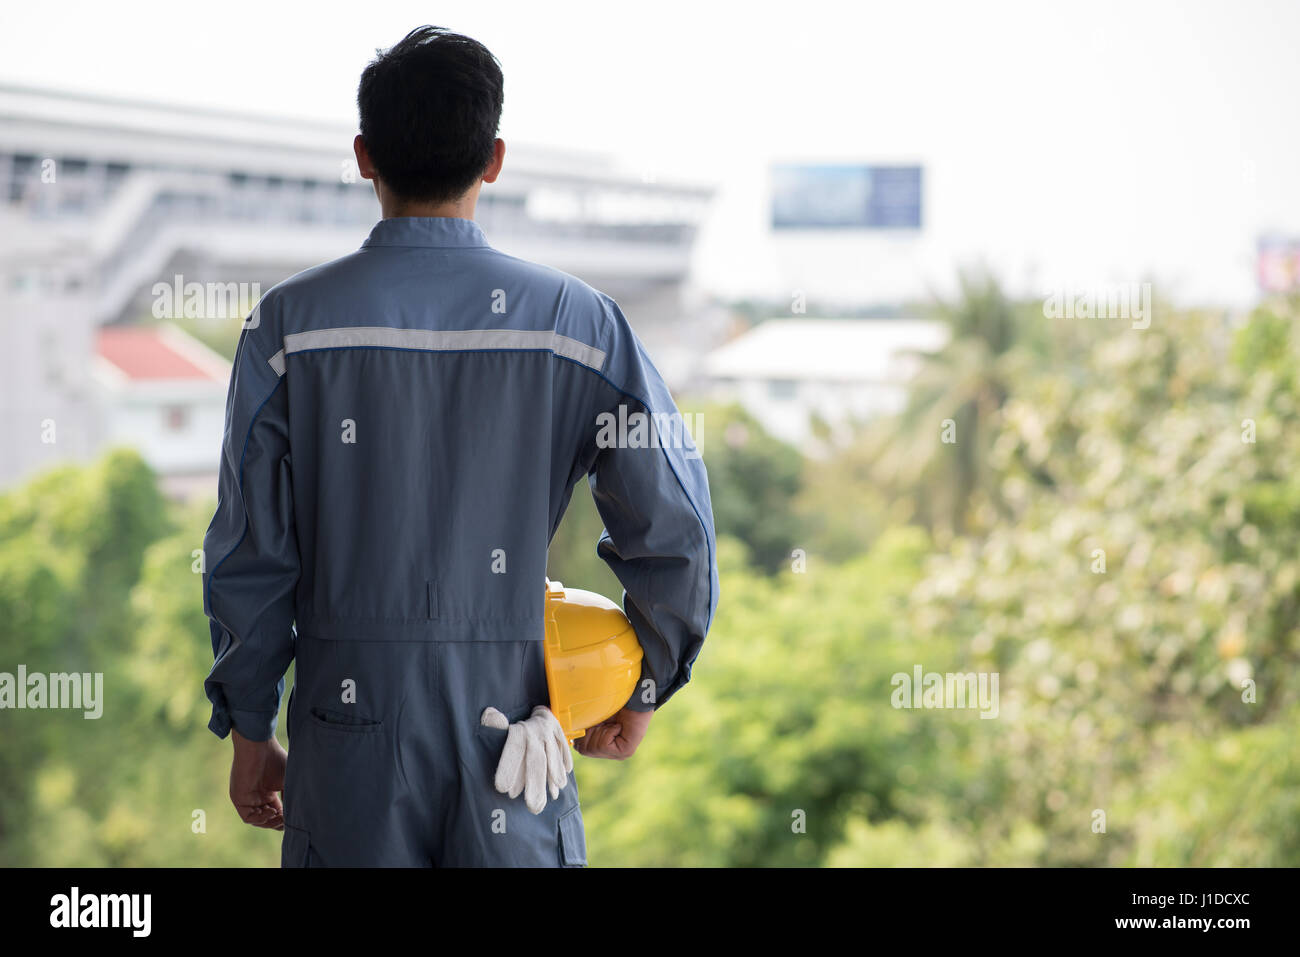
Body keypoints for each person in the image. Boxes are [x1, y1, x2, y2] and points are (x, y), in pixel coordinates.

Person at [201, 25, 718, 867]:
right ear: (495, 159)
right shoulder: (578, 326)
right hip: (516, 735)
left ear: (364, 156)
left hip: (345, 736)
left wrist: (251, 726)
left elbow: (252, 556)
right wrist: (642, 678)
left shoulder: (287, 330)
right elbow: (675, 530)